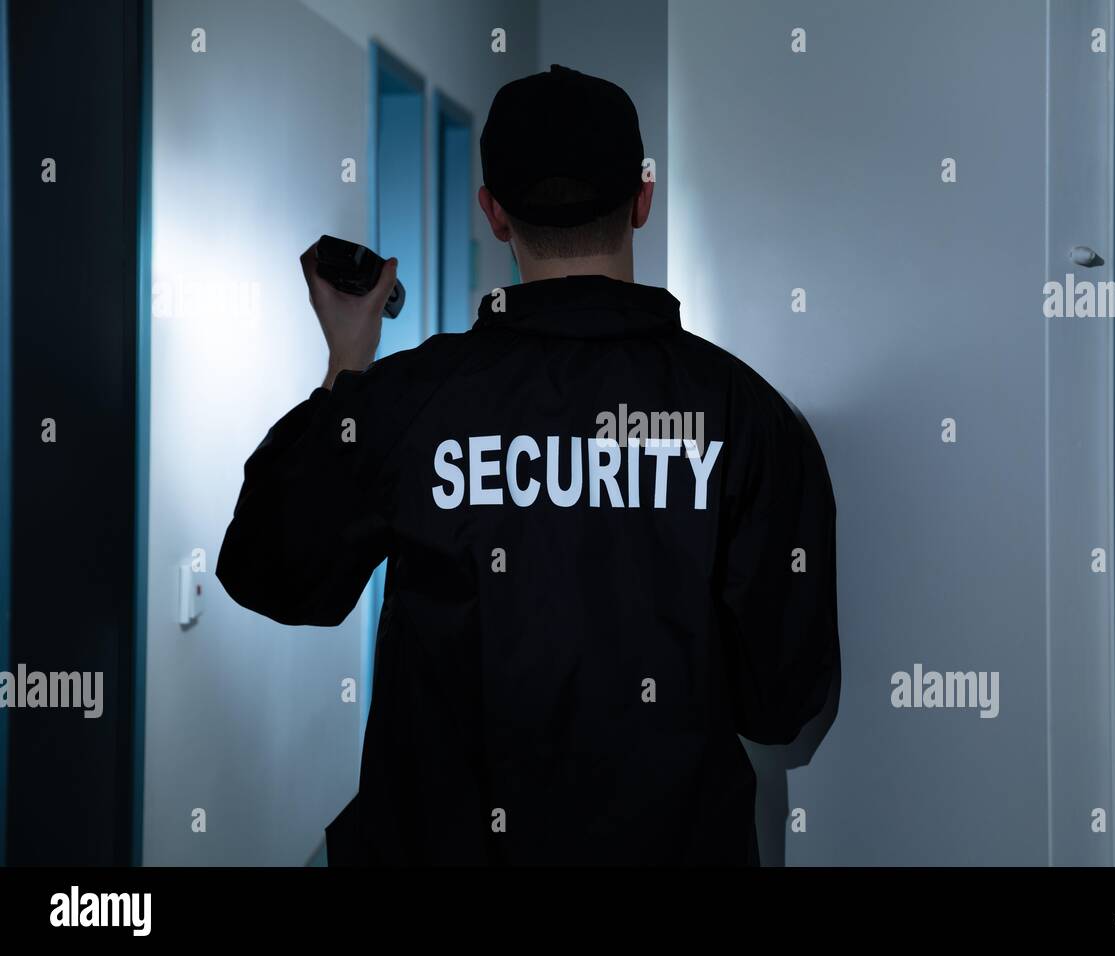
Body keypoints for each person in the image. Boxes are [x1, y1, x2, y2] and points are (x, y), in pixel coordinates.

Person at [216, 64, 839, 866]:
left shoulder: (409, 401)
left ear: (495, 214)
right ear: (643, 200)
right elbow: (782, 701)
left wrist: (346, 366)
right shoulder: (748, 415)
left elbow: (272, 572)